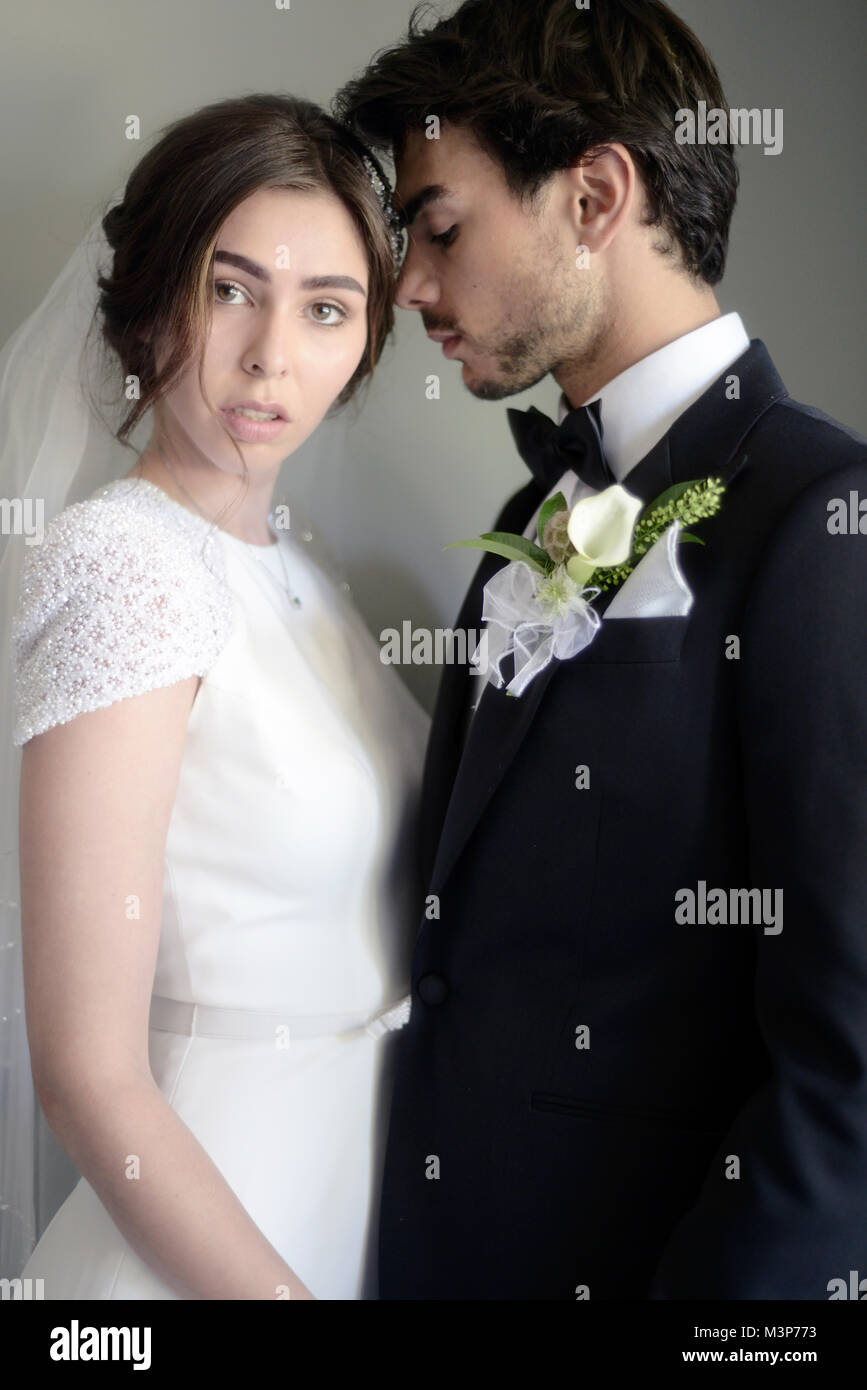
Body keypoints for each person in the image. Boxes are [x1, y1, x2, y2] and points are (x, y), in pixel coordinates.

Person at [335, 0, 867, 1298]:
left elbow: (848, 1065)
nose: (409, 287)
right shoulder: (533, 521)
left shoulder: (821, 517)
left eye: (439, 227)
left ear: (593, 195)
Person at [1, 92, 428, 1299]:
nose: (270, 356)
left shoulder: (300, 570)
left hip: (338, 1211)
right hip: (202, 1257)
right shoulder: (123, 565)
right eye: (230, 289)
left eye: (325, 308)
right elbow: (86, 1073)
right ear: (149, 303)